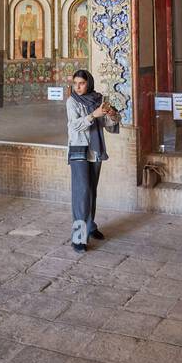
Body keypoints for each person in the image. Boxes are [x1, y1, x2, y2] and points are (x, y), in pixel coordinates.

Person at [64, 69, 119, 253]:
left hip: (95, 151)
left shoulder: (97, 99)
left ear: (89, 83)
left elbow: (110, 127)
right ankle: (78, 238)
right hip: (79, 151)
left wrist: (111, 115)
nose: (78, 87)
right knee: (82, 193)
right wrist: (93, 115)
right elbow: (74, 126)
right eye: (75, 84)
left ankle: (90, 226)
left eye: (82, 83)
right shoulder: (72, 102)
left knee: (92, 191)